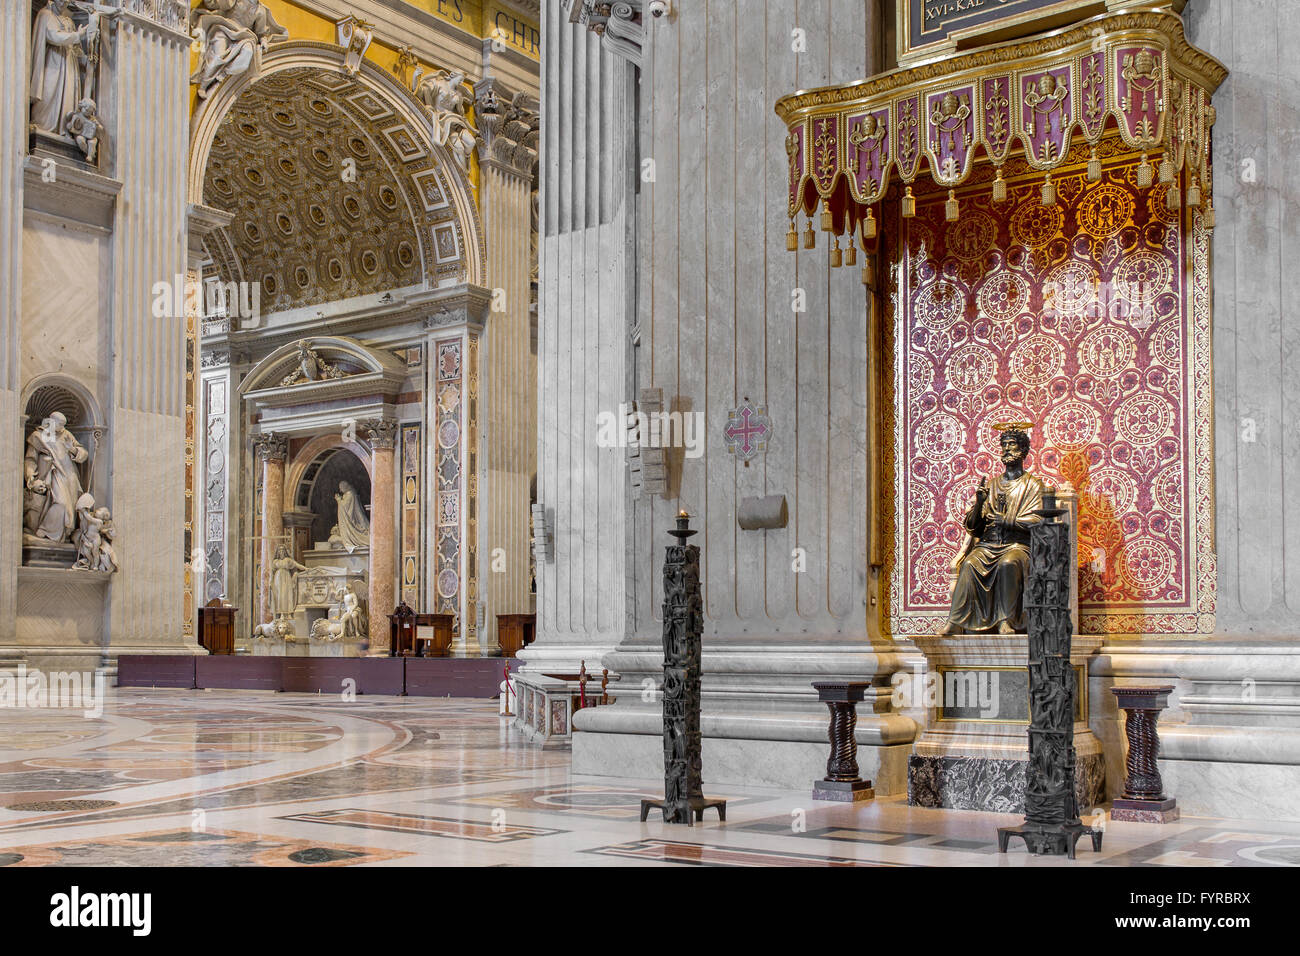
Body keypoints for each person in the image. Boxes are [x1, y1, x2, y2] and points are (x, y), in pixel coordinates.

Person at [941, 427, 1045, 635]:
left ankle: (1006, 620)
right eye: (1004, 445)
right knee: (970, 563)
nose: (1006, 449)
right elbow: (973, 527)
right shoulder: (992, 485)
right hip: (990, 544)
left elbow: (1037, 520)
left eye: (1012, 444)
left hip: (1019, 545)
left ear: (1023, 450)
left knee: (1008, 563)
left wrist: (1006, 520)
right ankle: (955, 620)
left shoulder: (1034, 485)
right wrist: (979, 504)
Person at [24, 411, 89, 543]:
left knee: (70, 507)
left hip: (69, 476)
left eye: (64, 425)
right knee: (61, 504)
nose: (62, 428)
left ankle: (62, 535)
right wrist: (31, 478)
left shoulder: (66, 435)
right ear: (51, 421)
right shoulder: (38, 436)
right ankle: (46, 532)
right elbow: (30, 459)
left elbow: (83, 454)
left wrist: (73, 449)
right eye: (60, 424)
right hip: (51, 474)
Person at [269, 545, 307, 619]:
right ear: (277, 552)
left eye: (282, 550)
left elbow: (297, 565)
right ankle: (281, 613)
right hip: (278, 579)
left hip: (286, 577)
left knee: (287, 594)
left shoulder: (288, 560)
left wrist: (306, 568)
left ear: (285, 551)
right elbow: (272, 572)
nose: (281, 552)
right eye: (279, 550)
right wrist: (271, 581)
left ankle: (288, 613)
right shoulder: (275, 562)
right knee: (279, 596)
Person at [332, 481, 371, 552]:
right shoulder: (347, 494)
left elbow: (345, 508)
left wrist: (338, 500)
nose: (340, 490)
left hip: (352, 521)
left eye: (341, 488)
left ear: (345, 486)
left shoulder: (350, 494)